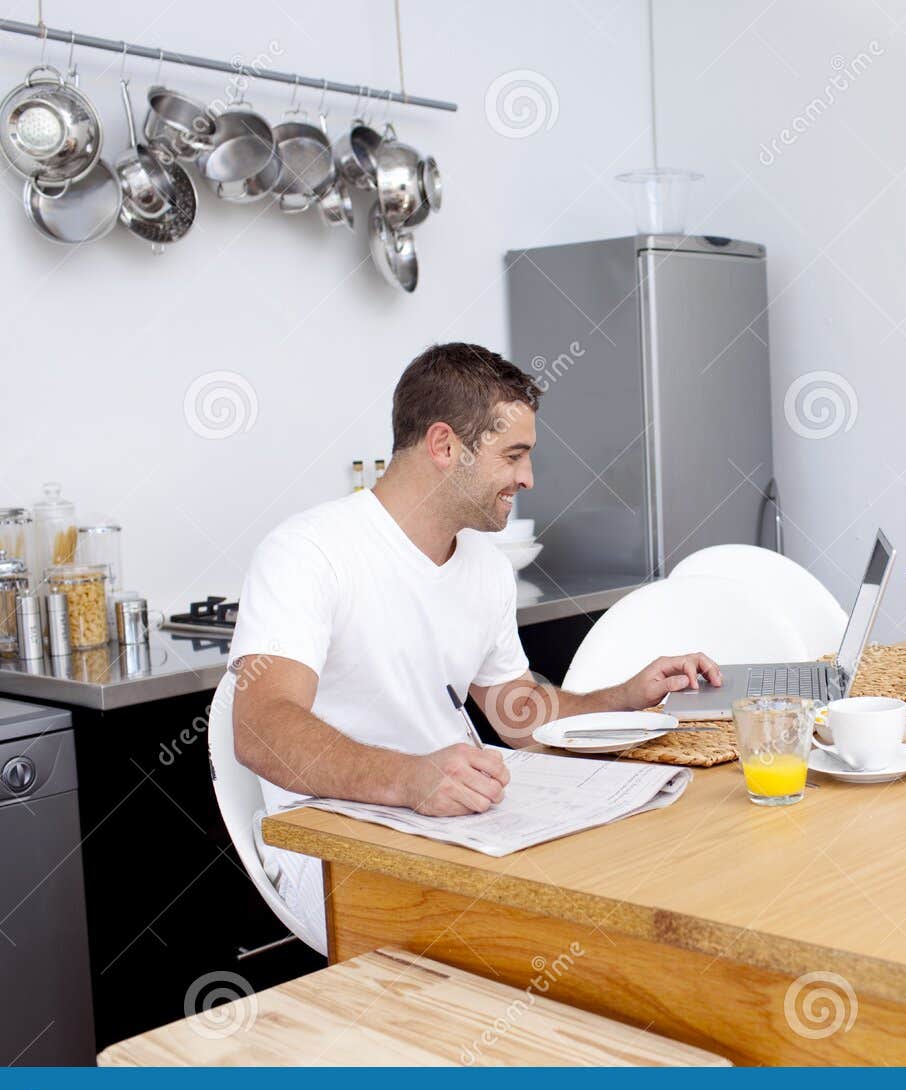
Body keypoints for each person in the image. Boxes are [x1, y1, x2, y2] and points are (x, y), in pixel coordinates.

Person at [229, 342, 721, 948]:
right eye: (513, 455)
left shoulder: (485, 569)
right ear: (444, 447)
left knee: (639, 877)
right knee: (538, 938)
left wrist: (626, 695)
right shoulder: (309, 553)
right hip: (331, 843)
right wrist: (411, 780)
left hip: (459, 822)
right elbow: (258, 730)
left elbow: (519, 717)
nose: (528, 478)